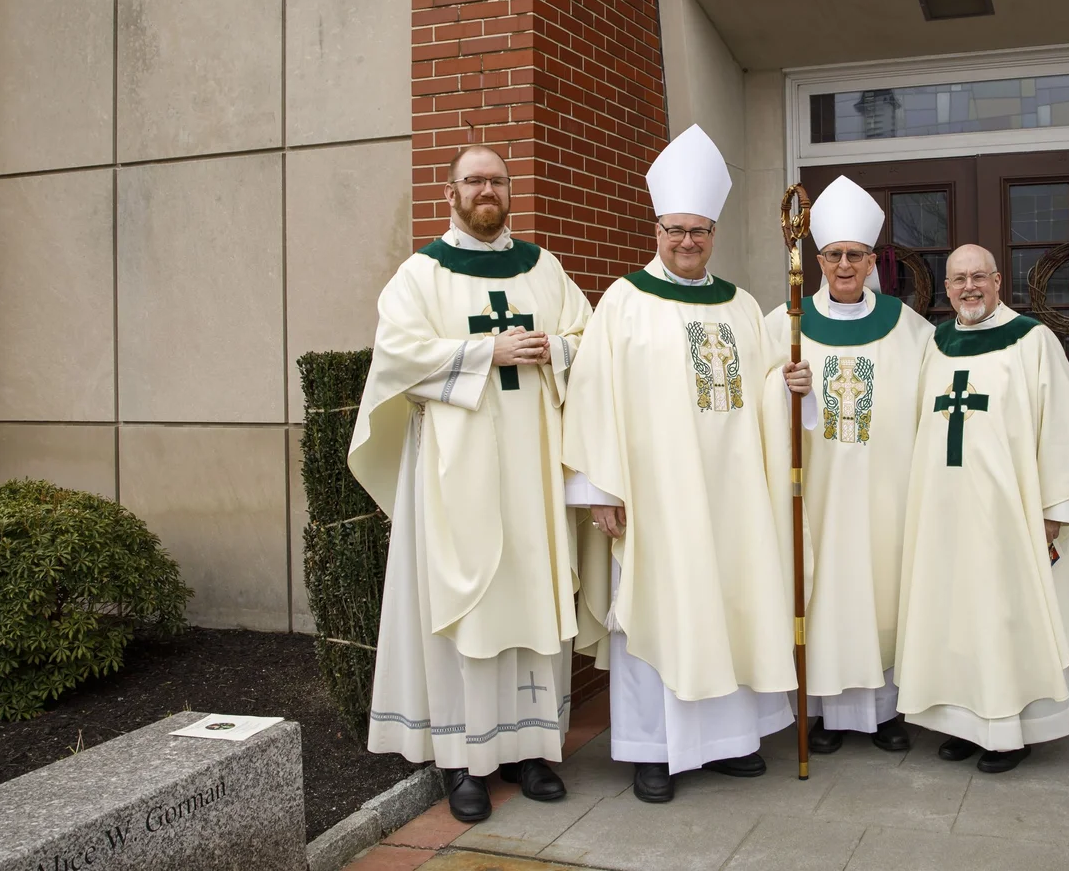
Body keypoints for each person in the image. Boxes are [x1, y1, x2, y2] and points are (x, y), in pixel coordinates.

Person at [563, 124, 811, 803]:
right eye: (676, 229)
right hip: (656, 498)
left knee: (729, 604)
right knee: (660, 607)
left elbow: (761, 391)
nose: (687, 242)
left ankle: (730, 742)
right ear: (657, 228)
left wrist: (786, 389)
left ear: (713, 232)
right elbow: (593, 394)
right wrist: (598, 488)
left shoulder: (737, 305)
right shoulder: (623, 302)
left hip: (731, 496)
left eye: (699, 231)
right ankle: (655, 748)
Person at [349, 144, 592, 822]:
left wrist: (558, 349)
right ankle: (463, 765)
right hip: (458, 475)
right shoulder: (420, 275)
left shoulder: (544, 268)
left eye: (497, 181)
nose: (487, 190)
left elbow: (587, 335)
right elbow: (396, 355)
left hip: (532, 471)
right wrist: (488, 350)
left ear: (509, 192)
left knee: (531, 600)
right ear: (450, 192)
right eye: (474, 181)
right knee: (469, 606)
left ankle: (531, 751)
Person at [894, 243, 1069, 773]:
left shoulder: (1033, 341)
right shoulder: (936, 343)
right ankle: (965, 724)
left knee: (1005, 616)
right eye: (958, 279)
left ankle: (1010, 732)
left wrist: (1055, 509)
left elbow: (1061, 427)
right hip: (945, 516)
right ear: (945, 290)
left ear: (997, 281)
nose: (969, 287)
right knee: (955, 617)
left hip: (1008, 517)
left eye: (979, 277)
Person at [761, 176, 932, 755]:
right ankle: (826, 714)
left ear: (871, 260)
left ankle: (885, 714)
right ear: (817, 259)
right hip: (820, 496)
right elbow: (757, 403)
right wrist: (792, 392)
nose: (843, 265)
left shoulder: (910, 329)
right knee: (825, 593)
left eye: (854, 256)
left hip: (889, 491)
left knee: (883, 593)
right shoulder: (783, 325)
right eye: (832, 255)